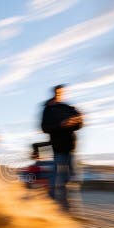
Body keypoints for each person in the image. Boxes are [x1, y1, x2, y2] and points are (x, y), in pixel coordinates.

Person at [40, 84, 83, 212]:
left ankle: (67, 208)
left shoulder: (68, 108)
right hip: (57, 148)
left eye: (61, 92)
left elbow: (80, 123)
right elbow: (44, 128)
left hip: (71, 147)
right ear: (54, 93)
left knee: (73, 178)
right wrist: (61, 125)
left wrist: (76, 121)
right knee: (56, 179)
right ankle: (52, 207)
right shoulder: (48, 110)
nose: (59, 94)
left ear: (63, 93)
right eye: (57, 92)